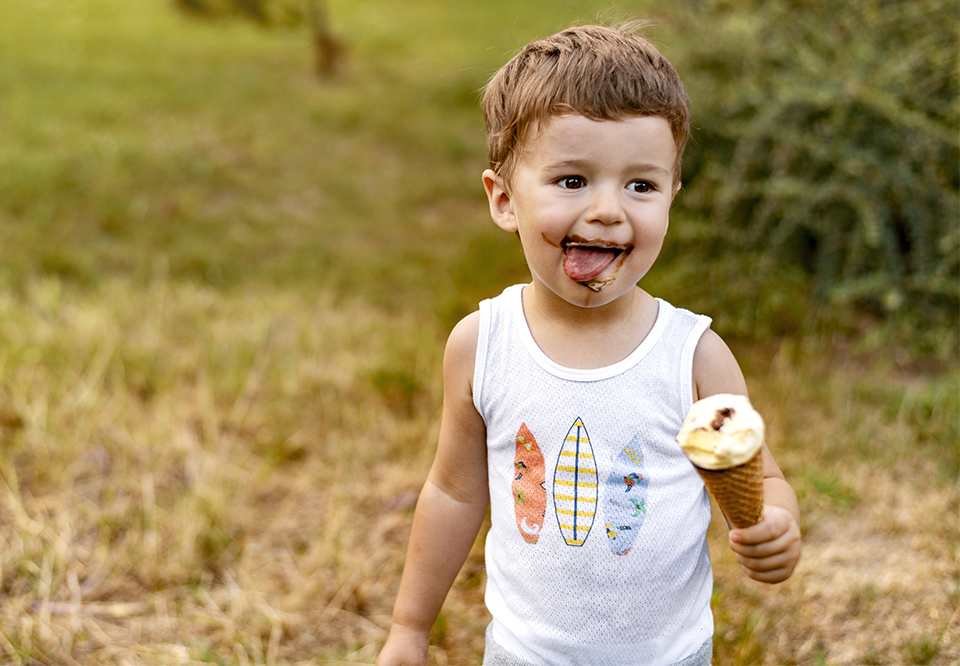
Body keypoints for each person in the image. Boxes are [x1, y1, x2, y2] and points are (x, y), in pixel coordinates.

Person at [377, 23, 801, 666]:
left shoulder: (693, 356)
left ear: (671, 198)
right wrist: (409, 628)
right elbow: (454, 493)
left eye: (641, 185)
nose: (608, 210)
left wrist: (775, 523)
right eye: (573, 180)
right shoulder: (482, 344)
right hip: (525, 654)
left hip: (667, 656)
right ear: (504, 200)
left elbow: (760, 477)